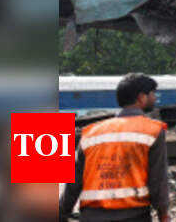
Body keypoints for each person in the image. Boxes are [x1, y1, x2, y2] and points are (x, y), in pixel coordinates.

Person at [60, 73, 169, 222]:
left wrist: (62, 213)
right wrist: (163, 214)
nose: (155, 98)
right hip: (134, 216)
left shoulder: (91, 133)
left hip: (91, 217)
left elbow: (73, 182)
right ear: (141, 97)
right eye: (152, 94)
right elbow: (158, 180)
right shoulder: (152, 131)